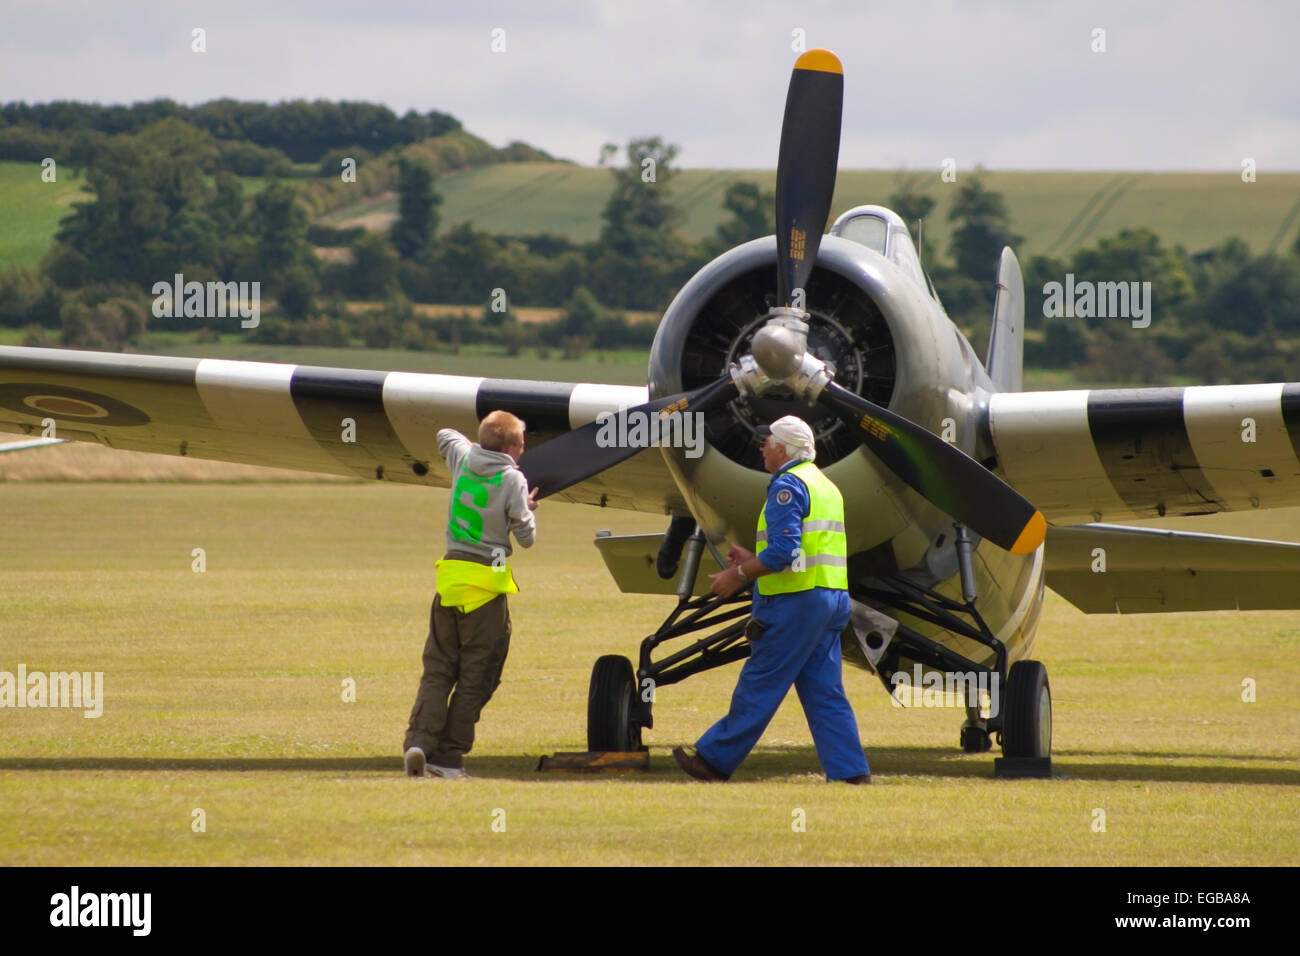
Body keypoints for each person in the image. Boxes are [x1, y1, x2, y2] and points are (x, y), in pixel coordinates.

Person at [672, 415, 871, 784]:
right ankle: (850, 773)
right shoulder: (825, 485)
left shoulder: (788, 487)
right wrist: (752, 558)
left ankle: (713, 761)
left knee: (760, 682)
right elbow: (802, 552)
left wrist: (739, 575)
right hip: (830, 598)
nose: (761, 447)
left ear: (783, 449)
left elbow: (783, 552)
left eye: (767, 441)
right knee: (825, 692)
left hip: (795, 605)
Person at [403, 410, 538, 779]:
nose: (523, 451)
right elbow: (527, 538)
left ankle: (418, 742)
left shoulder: (462, 458)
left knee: (439, 669)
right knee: (478, 676)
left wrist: (472, 443)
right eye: (521, 444)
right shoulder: (514, 478)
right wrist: (525, 510)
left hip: (449, 581)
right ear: (511, 447)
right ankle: (447, 758)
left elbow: (445, 433)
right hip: (485, 588)